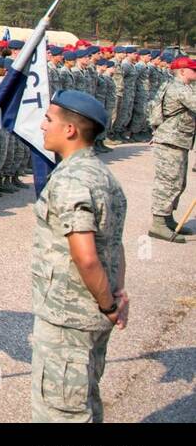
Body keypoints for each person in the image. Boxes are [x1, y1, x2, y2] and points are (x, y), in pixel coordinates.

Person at [31, 90, 128, 422]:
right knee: (84, 398)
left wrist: (108, 304)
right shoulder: (102, 174)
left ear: (70, 130)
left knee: (62, 412)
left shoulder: (72, 181)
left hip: (68, 317)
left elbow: (86, 256)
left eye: (48, 119)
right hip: (92, 313)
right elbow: (114, 244)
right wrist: (116, 294)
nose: (42, 126)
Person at [147, 55, 196, 241]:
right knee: (168, 182)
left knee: (178, 183)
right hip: (170, 141)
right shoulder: (179, 88)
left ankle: (167, 218)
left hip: (177, 140)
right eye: (193, 69)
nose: (195, 72)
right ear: (182, 71)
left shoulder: (182, 87)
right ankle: (158, 224)